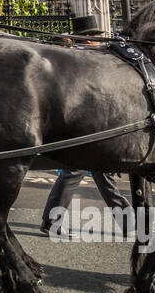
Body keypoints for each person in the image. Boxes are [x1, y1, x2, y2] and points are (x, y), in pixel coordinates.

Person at [39, 16, 133, 236]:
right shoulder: (83, 57)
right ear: (86, 38)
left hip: (93, 125)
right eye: (95, 36)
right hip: (86, 125)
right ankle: (130, 223)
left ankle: (129, 223)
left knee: (94, 176)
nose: (99, 40)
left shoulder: (81, 56)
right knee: (80, 173)